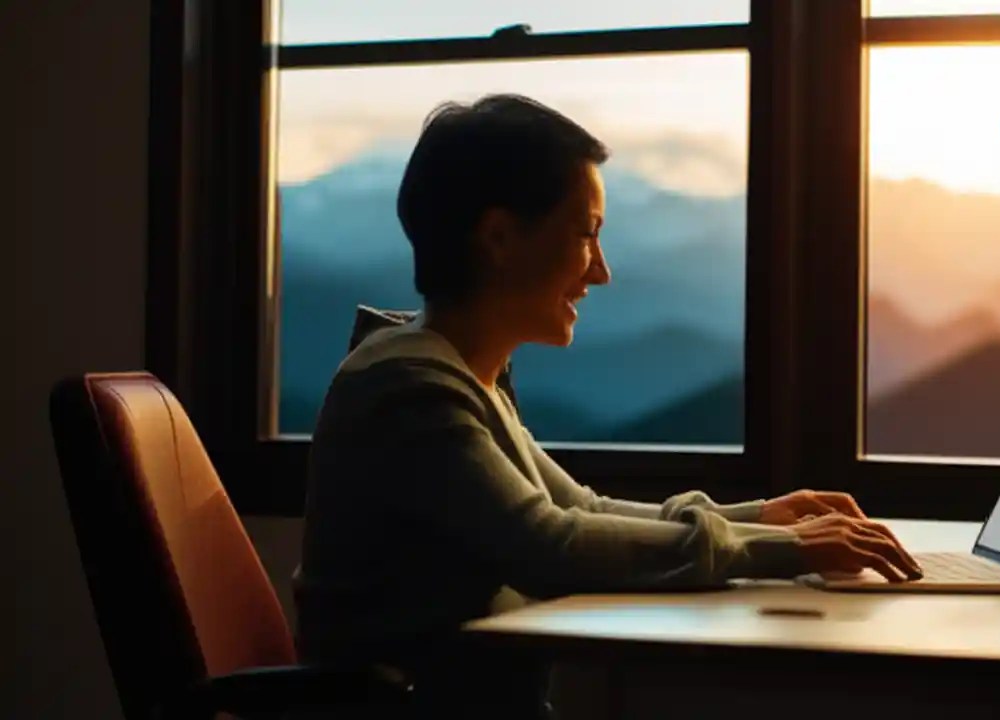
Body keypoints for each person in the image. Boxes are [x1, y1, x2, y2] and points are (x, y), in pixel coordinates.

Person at [292, 93, 922, 719]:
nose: (601, 272)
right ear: (500, 237)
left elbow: (579, 509)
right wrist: (787, 550)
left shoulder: (455, 374)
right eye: (586, 235)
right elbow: (550, 546)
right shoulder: (411, 392)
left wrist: (766, 517)